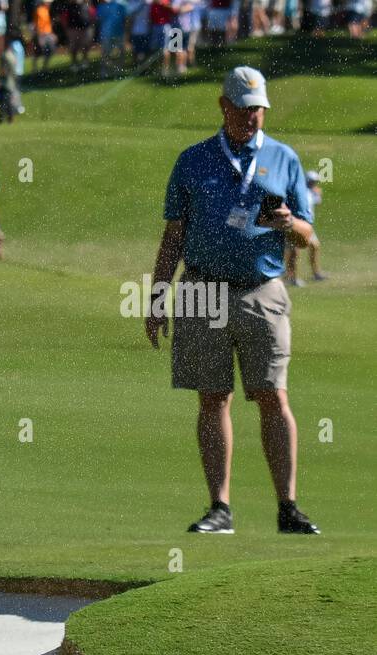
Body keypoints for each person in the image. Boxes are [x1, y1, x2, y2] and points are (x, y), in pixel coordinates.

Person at [147, 67, 320, 535]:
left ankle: (288, 507)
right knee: (212, 398)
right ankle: (219, 508)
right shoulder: (193, 160)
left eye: (258, 108)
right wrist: (158, 295)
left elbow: (307, 235)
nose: (252, 117)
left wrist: (287, 224)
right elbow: (173, 238)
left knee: (272, 395)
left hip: (262, 291)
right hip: (202, 289)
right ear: (223, 106)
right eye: (244, 108)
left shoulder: (283, 159)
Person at [285, 170, 326, 286]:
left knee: (314, 246)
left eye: (315, 182)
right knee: (294, 252)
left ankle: (316, 272)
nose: (314, 183)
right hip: (297, 224)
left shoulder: (311, 192)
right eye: (312, 181)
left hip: (307, 225)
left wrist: (317, 194)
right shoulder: (299, 190)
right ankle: (291, 277)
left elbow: (317, 202)